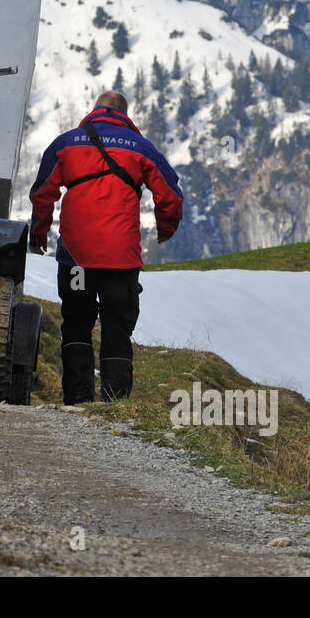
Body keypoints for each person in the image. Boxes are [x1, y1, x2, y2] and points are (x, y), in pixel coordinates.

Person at [29, 90, 183, 403]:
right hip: (120, 261)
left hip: (76, 259)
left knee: (76, 322)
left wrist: (39, 234)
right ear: (125, 115)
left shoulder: (65, 143)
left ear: (95, 110)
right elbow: (171, 195)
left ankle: (77, 400)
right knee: (117, 327)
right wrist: (165, 230)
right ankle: (116, 403)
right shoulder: (141, 147)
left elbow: (42, 193)